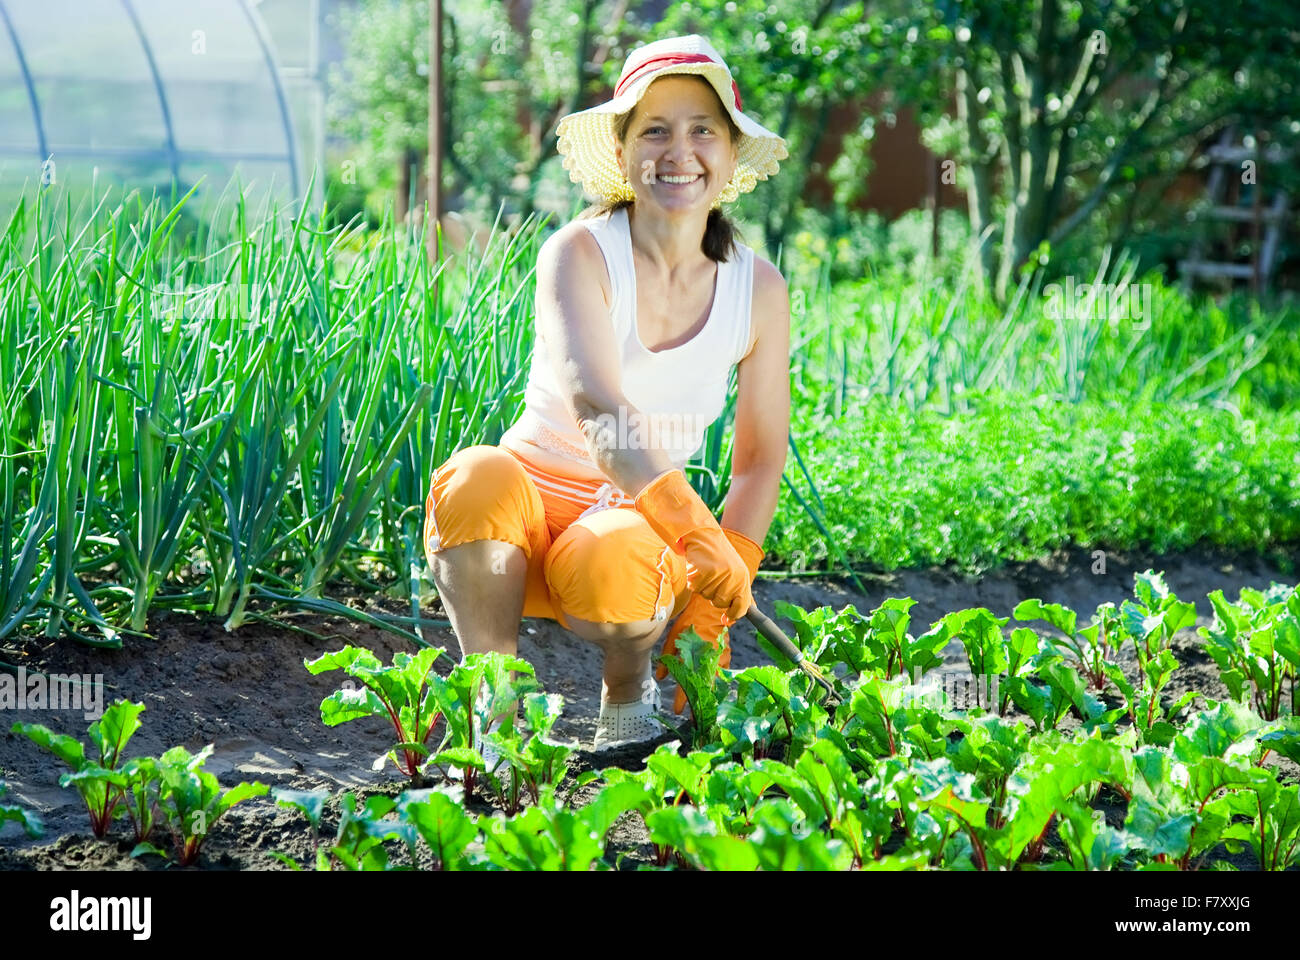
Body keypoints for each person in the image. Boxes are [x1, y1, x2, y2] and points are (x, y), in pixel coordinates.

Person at [424, 34, 791, 753]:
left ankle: (627, 696)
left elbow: (758, 459)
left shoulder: (759, 289)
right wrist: (690, 526)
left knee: (618, 552)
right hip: (523, 518)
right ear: (623, 151)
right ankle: (494, 718)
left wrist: (723, 583)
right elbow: (596, 404)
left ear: (728, 154)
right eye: (654, 130)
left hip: (624, 531)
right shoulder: (579, 252)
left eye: (701, 131)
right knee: (474, 477)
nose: (677, 151)